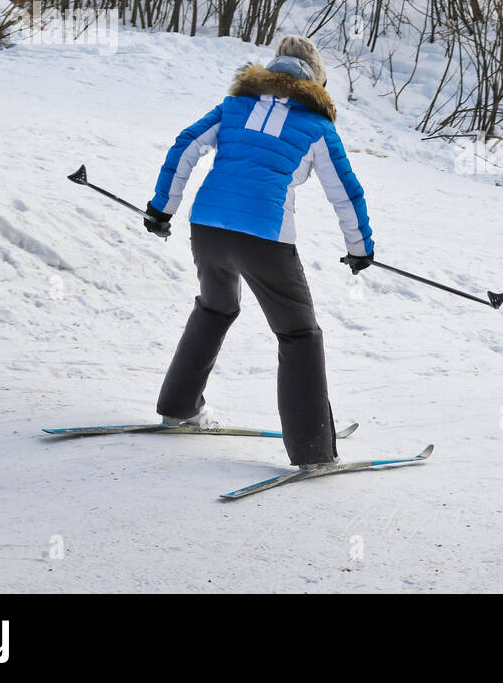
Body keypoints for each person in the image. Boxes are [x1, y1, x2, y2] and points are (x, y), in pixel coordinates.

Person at [142, 34, 374, 470]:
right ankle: (313, 452)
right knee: (299, 334)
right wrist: (360, 249)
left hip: (208, 227)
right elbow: (346, 193)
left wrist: (161, 208)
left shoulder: (233, 107)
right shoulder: (318, 127)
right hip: (264, 239)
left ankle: (179, 407)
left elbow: (185, 145)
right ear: (317, 81)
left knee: (215, 308)